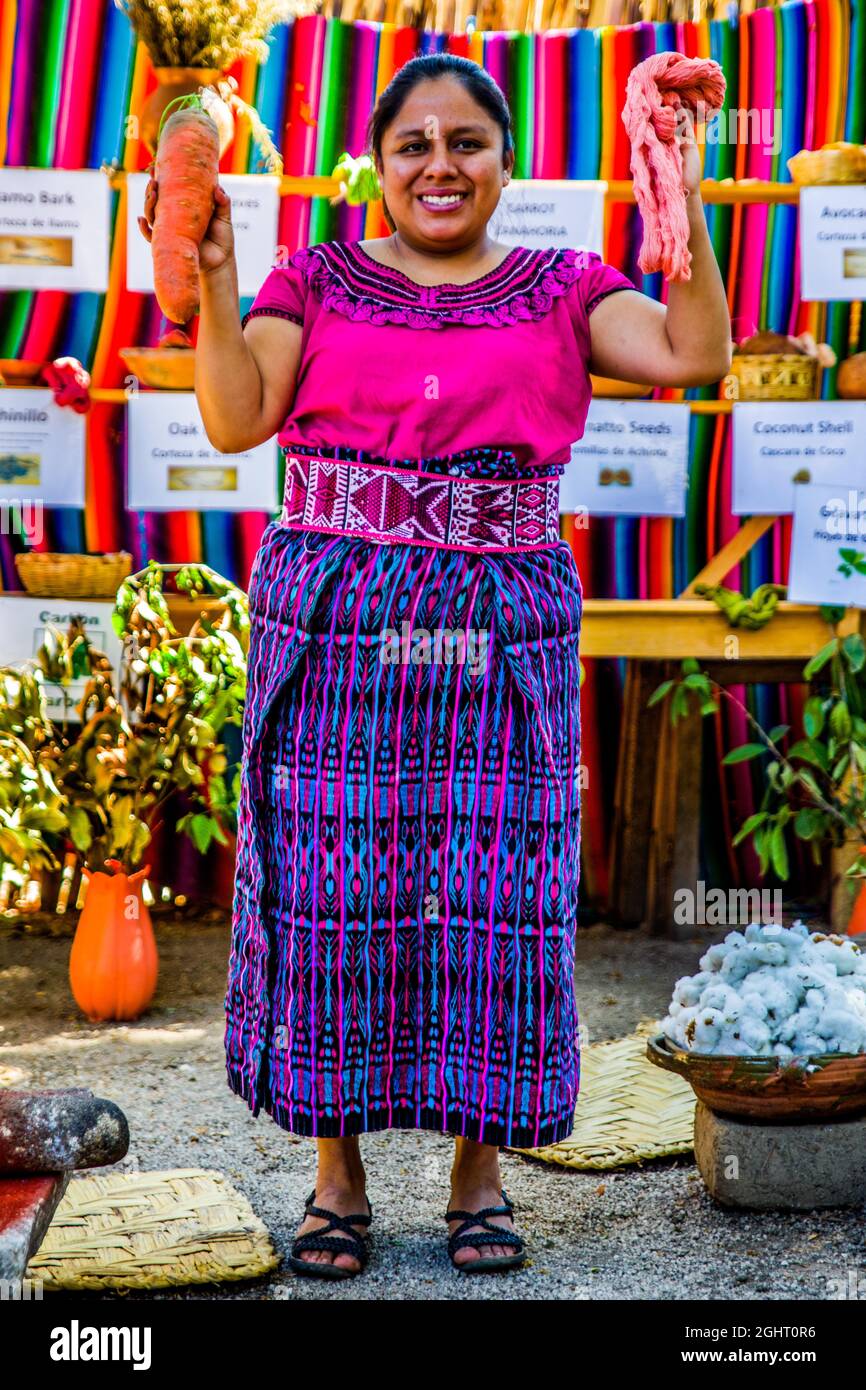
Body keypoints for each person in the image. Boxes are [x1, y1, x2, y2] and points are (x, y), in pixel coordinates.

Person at [140, 52, 731, 1279]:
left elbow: (690, 354)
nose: (439, 166)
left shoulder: (561, 286)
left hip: (498, 633)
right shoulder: (318, 277)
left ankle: (477, 1176)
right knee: (332, 900)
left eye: (467, 141)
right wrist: (214, 281)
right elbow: (238, 415)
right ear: (378, 161)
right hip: (338, 628)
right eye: (414, 143)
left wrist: (676, 194)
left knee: (493, 903)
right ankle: (335, 1179)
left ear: (503, 159)